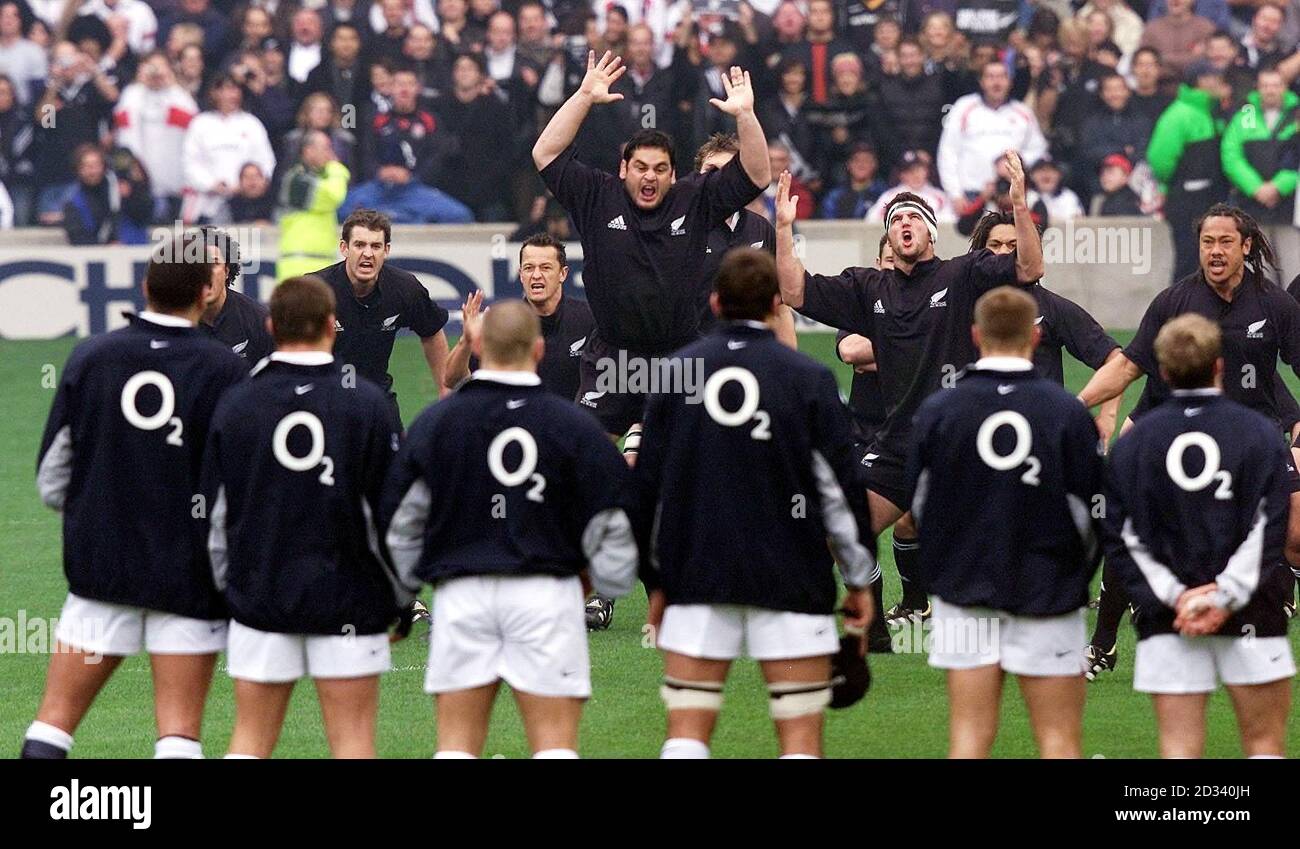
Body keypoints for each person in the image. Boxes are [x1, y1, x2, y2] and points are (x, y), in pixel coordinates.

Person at [776, 149, 1044, 627]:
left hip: (961, 440)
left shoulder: (961, 273)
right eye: (895, 219)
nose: (903, 224)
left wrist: (1020, 206)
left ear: (930, 233)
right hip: (900, 442)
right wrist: (781, 230)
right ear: (887, 236)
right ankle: (875, 623)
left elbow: (1029, 269)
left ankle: (1012, 619)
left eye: (913, 218)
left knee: (996, 538)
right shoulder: (869, 287)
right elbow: (795, 293)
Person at [635, 248, 875, 759]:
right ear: (775, 305)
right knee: (800, 740)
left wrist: (655, 583)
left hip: (697, 574)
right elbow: (841, 491)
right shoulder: (809, 379)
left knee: (686, 732)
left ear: (715, 301)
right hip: (792, 576)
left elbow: (647, 491)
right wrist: (858, 579)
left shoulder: (677, 374)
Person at [22, 232, 247, 760]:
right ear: (203, 294)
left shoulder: (91, 357)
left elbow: (52, 477)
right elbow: (236, 485)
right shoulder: (226, 370)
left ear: (144, 287)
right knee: (178, 734)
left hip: (103, 567)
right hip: (189, 576)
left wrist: (100, 509)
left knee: (53, 724)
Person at [381, 300, 639, 758]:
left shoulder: (436, 423)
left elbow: (401, 523)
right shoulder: (575, 427)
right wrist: (605, 584)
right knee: (555, 746)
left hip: (462, 598)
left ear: (477, 344)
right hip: (548, 598)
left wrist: (402, 598)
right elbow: (616, 520)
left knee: (456, 746)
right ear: (539, 350)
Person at [1078, 204, 1300, 677]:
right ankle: (1103, 642)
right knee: (1137, 529)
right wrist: (1075, 407)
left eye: (1225, 242)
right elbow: (1127, 366)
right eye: (1207, 243)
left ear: (1246, 247)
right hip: (1184, 440)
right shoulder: (1173, 302)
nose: (1215, 252)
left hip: (1255, 440)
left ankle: (1271, 606)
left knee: (1296, 527)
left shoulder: (1275, 304)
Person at [204, 276, 406, 759]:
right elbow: (392, 515)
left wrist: (222, 589)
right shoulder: (366, 404)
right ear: (332, 328)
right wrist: (400, 596)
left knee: (249, 740)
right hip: (350, 600)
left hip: (260, 595)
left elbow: (214, 515)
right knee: (353, 743)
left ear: (271, 327)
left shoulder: (237, 404)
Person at [531, 50, 770, 444]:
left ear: (674, 175)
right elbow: (546, 153)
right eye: (640, 167)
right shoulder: (597, 195)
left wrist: (745, 115)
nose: (649, 177)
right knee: (588, 459)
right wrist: (584, 98)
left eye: (660, 169)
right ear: (623, 169)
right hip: (614, 356)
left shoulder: (694, 198)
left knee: (696, 455)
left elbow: (758, 173)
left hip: (679, 356)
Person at [906, 285, 1103, 758]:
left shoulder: (939, 410)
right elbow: (1095, 510)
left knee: (969, 739)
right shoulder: (1067, 412)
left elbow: (919, 507)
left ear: (975, 336)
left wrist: (945, 575)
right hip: (1049, 593)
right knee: (1058, 742)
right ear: (1035, 338)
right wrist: (1076, 576)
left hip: (965, 593)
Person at [1102, 313, 1295, 758]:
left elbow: (1121, 535)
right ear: (1219, 366)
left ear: (1163, 371)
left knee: (1179, 748)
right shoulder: (1259, 435)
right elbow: (1271, 526)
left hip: (1169, 620)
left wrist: (1179, 598)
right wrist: (1223, 596)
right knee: (1265, 744)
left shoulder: (1135, 444)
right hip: (1253, 611)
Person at [967, 211, 1124, 444]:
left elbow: (1115, 359)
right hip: (977, 431)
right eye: (995, 245)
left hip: (1042, 434)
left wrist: (1105, 415)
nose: (1003, 253)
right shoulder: (962, 303)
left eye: (1013, 245)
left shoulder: (1051, 306)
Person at [309, 209, 451, 424]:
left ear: (386, 250)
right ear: (344, 248)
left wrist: (444, 389)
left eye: (375, 246)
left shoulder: (405, 288)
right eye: (359, 245)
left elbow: (431, 331)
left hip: (378, 399)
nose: (368, 254)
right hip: (325, 402)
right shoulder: (315, 290)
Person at [1146, 65, 1231, 283]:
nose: (1219, 82)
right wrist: (1172, 184)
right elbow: (1160, 159)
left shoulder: (1211, 111)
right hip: (1185, 198)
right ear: (1201, 81)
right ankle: (1180, 312)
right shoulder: (1178, 114)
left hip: (1211, 196)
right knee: (1188, 259)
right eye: (1214, 76)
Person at [276, 130, 351, 282]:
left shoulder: (321, 178)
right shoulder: (296, 179)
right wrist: (337, 168)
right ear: (308, 150)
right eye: (326, 148)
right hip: (298, 265)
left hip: (322, 263)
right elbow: (334, 195)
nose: (330, 154)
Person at [195, 227, 272, 367]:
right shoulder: (178, 322)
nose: (206, 272)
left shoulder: (258, 320)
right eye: (198, 264)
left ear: (226, 271)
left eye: (214, 263)